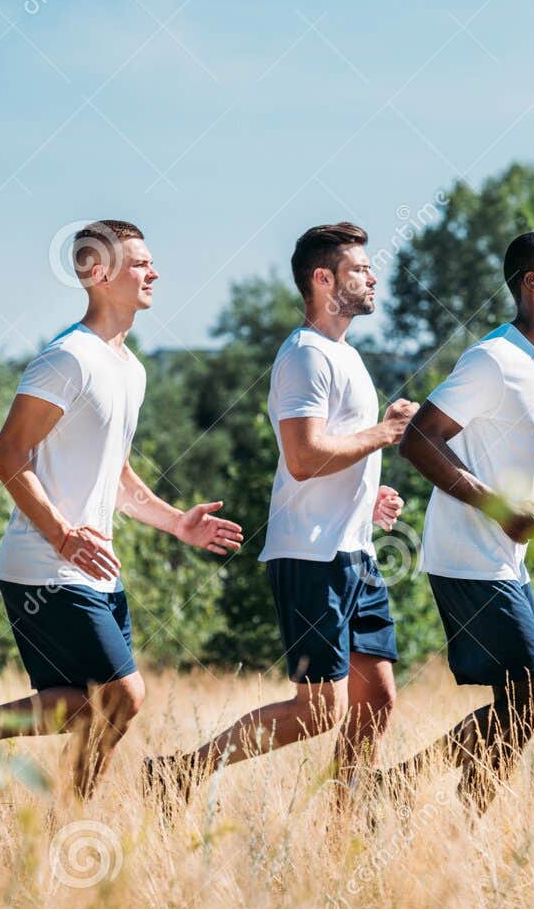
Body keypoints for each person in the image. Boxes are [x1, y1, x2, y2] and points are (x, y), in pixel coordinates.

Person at [0, 221, 244, 797]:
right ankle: (49, 796)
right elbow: (7, 455)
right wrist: (63, 535)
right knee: (124, 694)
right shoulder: (66, 358)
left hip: (98, 568)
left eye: (151, 262)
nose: (154, 272)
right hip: (44, 564)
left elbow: (115, 476)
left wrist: (177, 522)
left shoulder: (130, 369)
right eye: (140, 263)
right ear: (98, 274)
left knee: (88, 707)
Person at [144, 223, 416, 804]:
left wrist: (369, 496)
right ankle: (182, 773)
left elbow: (335, 451)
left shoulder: (345, 354)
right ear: (324, 279)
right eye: (359, 268)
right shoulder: (303, 356)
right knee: (319, 710)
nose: (373, 276)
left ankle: (345, 825)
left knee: (379, 702)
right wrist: (385, 434)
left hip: (356, 553)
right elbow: (302, 457)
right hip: (310, 556)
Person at [384, 231, 534, 813]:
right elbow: (419, 440)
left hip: (503, 560)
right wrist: (497, 505)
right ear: (533, 284)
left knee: (518, 702)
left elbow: (532, 456)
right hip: (467, 555)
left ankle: (468, 827)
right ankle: (392, 789)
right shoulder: (494, 359)